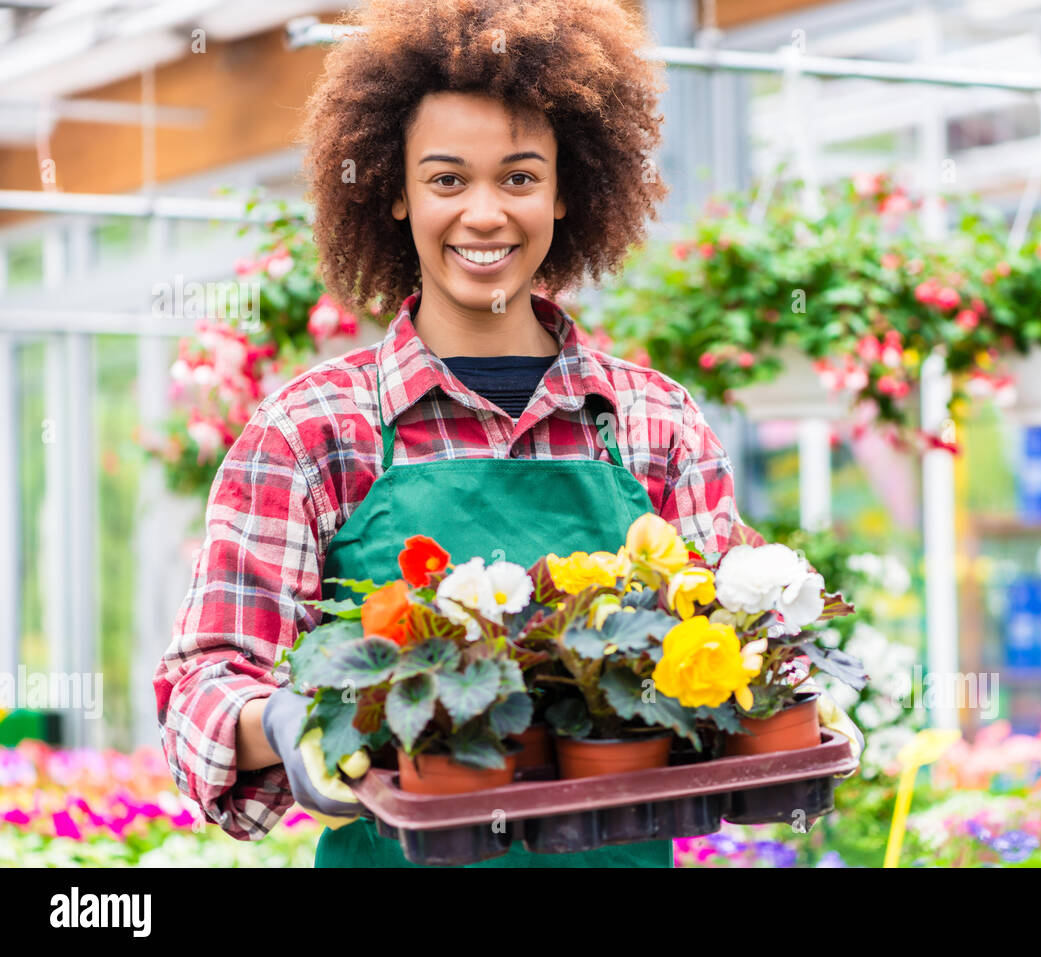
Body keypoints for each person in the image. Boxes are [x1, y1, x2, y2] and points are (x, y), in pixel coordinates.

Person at [154, 0, 778, 868]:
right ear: (396, 194)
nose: (484, 213)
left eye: (519, 177)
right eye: (447, 179)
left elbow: (728, 669)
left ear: (566, 194)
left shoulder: (655, 425)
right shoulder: (310, 433)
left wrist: (784, 673)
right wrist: (285, 719)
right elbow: (202, 684)